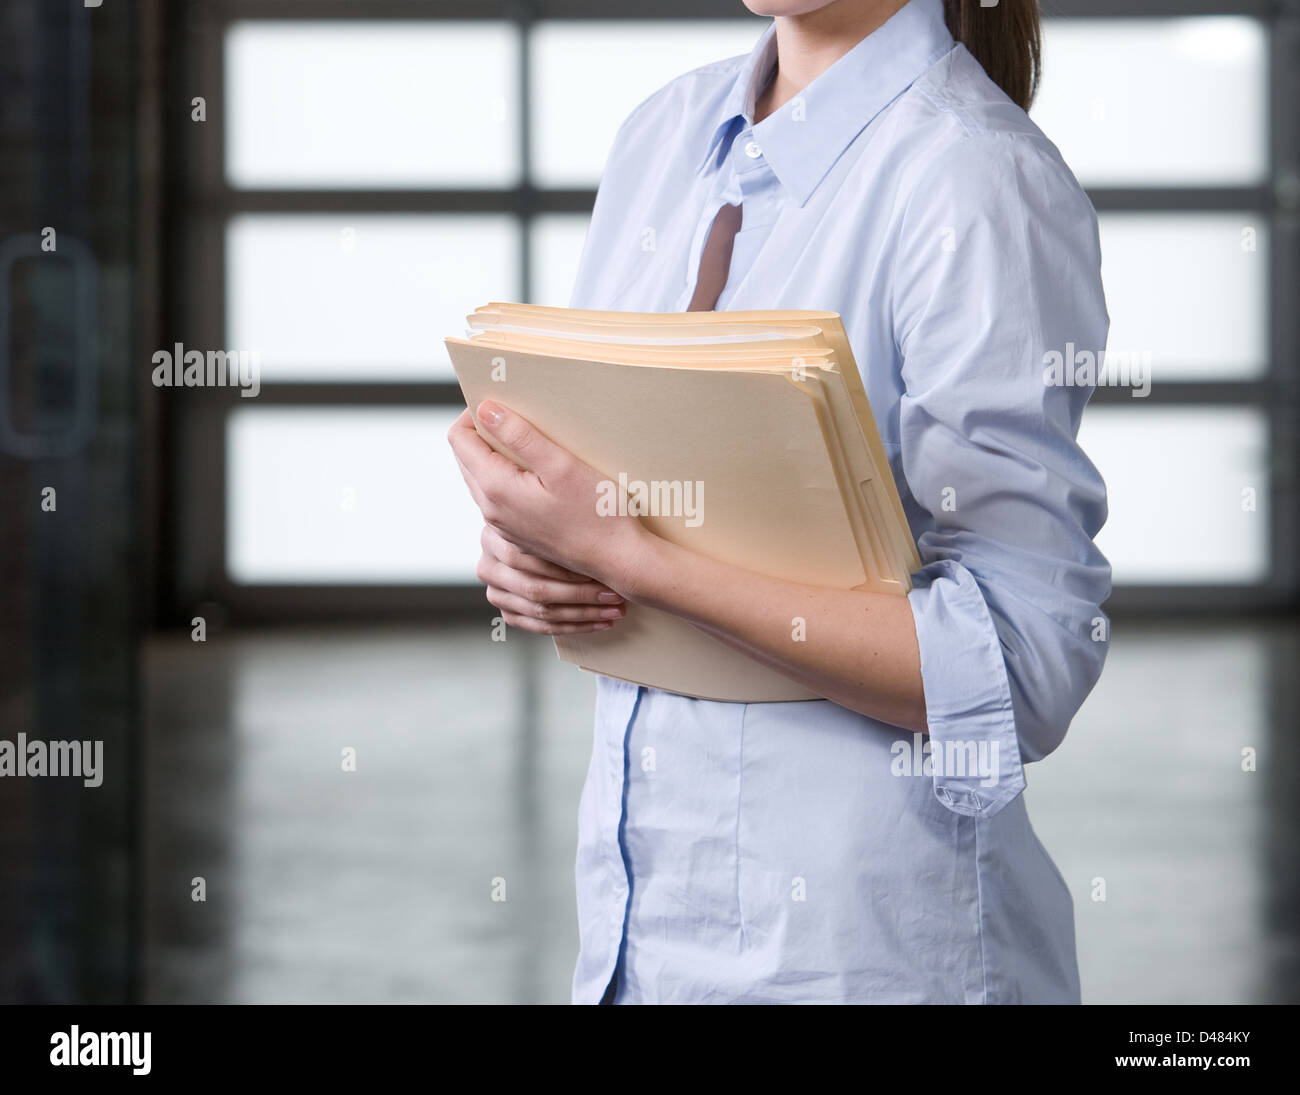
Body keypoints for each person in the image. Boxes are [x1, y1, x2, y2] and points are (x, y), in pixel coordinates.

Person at [449, 0, 1111, 1004]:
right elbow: (620, 478)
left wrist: (633, 560)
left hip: (862, 952)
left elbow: (1023, 664)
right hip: (641, 942)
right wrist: (540, 554)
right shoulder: (664, 132)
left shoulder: (974, 178)